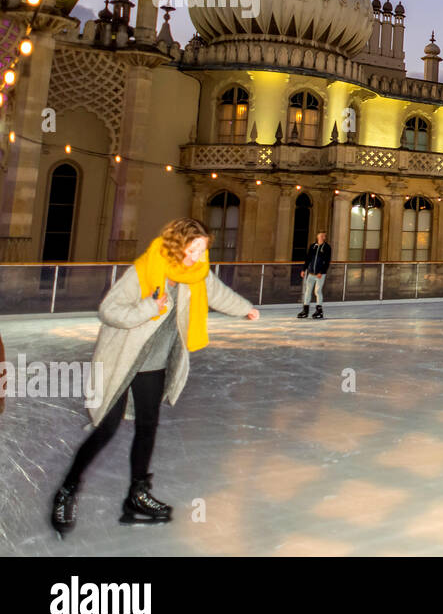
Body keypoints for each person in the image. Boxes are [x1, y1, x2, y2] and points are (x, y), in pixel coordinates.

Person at [50, 218, 259, 537]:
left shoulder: (196, 274)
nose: (202, 253)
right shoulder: (146, 269)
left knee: (148, 427)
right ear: (180, 245)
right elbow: (109, 309)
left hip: (155, 363)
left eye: (205, 247)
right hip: (123, 359)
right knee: (106, 428)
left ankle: (137, 495)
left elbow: (218, 294)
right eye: (196, 247)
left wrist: (245, 308)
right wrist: (149, 307)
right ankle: (67, 490)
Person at [297, 231, 331, 319]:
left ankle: (319, 311)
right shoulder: (313, 246)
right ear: (317, 236)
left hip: (320, 274)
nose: (321, 237)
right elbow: (308, 258)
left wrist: (321, 271)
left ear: (325, 237)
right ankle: (305, 310)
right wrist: (303, 269)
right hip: (311, 273)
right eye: (320, 236)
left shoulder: (327, 247)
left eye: (323, 236)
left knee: (317, 291)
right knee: (307, 291)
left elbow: (327, 262)